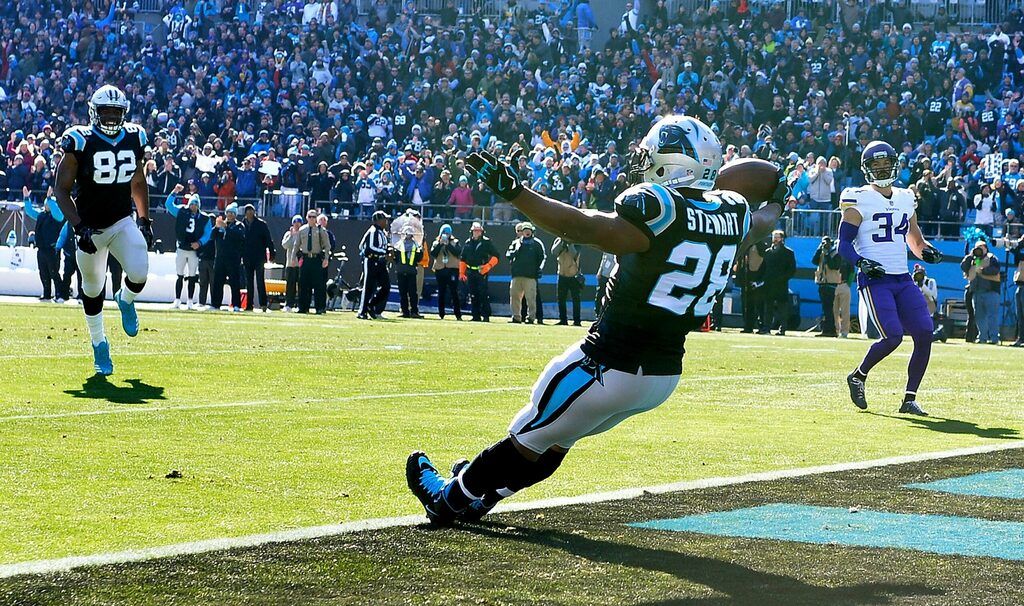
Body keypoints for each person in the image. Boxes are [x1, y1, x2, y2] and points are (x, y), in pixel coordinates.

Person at [406, 115, 788, 526]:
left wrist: (516, 193)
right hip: (662, 376)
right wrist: (778, 194)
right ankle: (483, 496)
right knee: (554, 440)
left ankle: (448, 499)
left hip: (608, 363)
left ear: (671, 163)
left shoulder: (660, 210)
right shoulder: (733, 215)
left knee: (526, 433)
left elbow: (580, 226)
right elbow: (765, 218)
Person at [839, 141, 945, 416]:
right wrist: (861, 263)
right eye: (876, 164)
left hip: (903, 278)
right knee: (893, 336)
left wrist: (928, 253)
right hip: (876, 280)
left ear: (896, 164)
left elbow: (916, 241)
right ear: (867, 169)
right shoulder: (857, 197)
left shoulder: (905, 197)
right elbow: (843, 245)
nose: (883, 168)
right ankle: (858, 376)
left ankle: (909, 399)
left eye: (886, 163)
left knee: (924, 333)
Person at [52, 85, 152, 376]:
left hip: (121, 220)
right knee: (93, 288)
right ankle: (99, 344)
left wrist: (143, 219)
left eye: (115, 112)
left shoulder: (135, 137)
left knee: (139, 270)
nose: (110, 117)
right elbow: (61, 189)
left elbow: (137, 181)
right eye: (105, 111)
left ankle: (125, 299)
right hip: (89, 228)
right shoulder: (79, 140)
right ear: (94, 112)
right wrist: (79, 225)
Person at [165, 186, 213, 310]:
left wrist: (200, 243)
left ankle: (190, 301)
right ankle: (177, 300)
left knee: (192, 276)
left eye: (195, 204)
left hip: (193, 250)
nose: (193, 206)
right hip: (181, 247)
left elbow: (208, 233)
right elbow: (169, 205)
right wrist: (174, 191)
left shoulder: (204, 218)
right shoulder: (182, 211)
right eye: (192, 204)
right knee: (179, 275)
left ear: (199, 206)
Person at [23, 188, 65, 302]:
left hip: (52, 249)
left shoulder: (57, 216)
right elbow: (29, 211)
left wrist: (49, 198)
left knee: (54, 272)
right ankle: (47, 294)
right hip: (41, 249)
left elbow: (58, 214)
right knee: (44, 273)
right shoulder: (41, 215)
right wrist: (26, 198)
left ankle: (59, 294)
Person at [960, 240, 1001, 344]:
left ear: (986, 248)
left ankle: (994, 338)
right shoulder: (973, 259)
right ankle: (982, 337)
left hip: (991, 291)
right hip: (976, 292)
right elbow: (963, 267)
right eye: (977, 247)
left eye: (982, 247)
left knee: (992, 315)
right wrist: (970, 255)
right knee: (979, 316)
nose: (979, 249)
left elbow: (996, 270)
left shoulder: (992, 258)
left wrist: (983, 271)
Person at [459, 221, 499, 322]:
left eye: (478, 231)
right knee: (473, 294)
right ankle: (475, 316)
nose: (476, 233)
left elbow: (496, 255)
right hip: (470, 272)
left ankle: (486, 316)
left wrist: (488, 266)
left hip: (482, 272)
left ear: (482, 232)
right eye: (475, 231)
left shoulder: (486, 242)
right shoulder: (468, 243)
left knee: (483, 294)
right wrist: (462, 273)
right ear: (471, 232)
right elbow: (463, 259)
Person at [507, 221, 546, 324]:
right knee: (515, 297)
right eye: (525, 230)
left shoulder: (537, 243)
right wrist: (515, 252)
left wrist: (540, 269)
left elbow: (542, 258)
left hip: (530, 276)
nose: (527, 232)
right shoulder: (516, 243)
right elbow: (508, 254)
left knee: (531, 299)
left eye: (529, 230)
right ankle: (516, 317)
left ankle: (531, 318)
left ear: (532, 231)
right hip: (517, 274)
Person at [758, 230, 795, 336]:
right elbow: (763, 268)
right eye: (774, 237)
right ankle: (766, 328)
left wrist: (782, 279)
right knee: (768, 308)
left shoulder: (788, 252)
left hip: (781, 284)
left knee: (782, 308)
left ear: (782, 239)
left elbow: (792, 270)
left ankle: (782, 328)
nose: (775, 239)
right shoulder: (768, 252)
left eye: (778, 237)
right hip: (769, 285)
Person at [211, 204, 246, 311]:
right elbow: (212, 237)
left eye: (232, 213)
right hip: (220, 258)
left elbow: (238, 237)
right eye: (228, 213)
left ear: (235, 214)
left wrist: (226, 227)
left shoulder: (239, 225)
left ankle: (236, 304)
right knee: (217, 282)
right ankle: (216, 304)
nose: (229, 215)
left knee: (234, 282)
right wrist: (217, 227)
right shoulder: (221, 225)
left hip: (233, 259)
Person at [296, 208, 331, 314]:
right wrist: (294, 258)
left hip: (316, 259)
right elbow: (297, 245)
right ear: (306, 218)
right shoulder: (302, 230)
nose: (311, 219)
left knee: (319, 285)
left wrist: (326, 259)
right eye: (310, 216)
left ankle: (320, 307)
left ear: (316, 218)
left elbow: (327, 246)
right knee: (303, 284)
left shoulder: (321, 230)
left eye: (314, 217)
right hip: (306, 259)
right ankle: (303, 307)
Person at [241, 203, 275, 312]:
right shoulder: (242, 225)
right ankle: (249, 305)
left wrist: (271, 253)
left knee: (260, 281)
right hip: (247, 257)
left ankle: (263, 305)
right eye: (248, 210)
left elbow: (268, 240)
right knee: (249, 282)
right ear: (245, 213)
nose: (250, 213)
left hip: (259, 257)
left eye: (251, 210)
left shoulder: (261, 224)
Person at [357, 210, 390, 319]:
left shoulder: (382, 232)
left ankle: (371, 305)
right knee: (368, 287)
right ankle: (362, 311)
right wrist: (385, 252)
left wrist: (388, 249)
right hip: (371, 261)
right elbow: (369, 248)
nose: (386, 222)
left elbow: (382, 246)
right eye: (384, 219)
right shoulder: (373, 231)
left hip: (380, 262)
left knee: (386, 286)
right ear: (379, 221)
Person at [811, 235, 842, 337]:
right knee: (825, 308)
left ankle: (831, 330)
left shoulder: (836, 253)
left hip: (831, 283)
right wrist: (819, 250)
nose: (825, 245)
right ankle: (827, 330)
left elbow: (834, 266)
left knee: (829, 308)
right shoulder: (821, 253)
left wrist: (828, 254)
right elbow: (814, 261)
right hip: (822, 282)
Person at [430, 224, 463, 320]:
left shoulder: (455, 242)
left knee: (454, 292)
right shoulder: (436, 243)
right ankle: (441, 313)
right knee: (441, 291)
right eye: (444, 233)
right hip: (440, 269)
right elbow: (433, 253)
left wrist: (448, 244)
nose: (446, 235)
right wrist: (440, 244)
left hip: (452, 269)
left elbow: (458, 253)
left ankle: (458, 314)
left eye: (447, 233)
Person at [552, 237, 583, 326]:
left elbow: (575, 255)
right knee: (561, 299)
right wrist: (562, 241)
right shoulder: (558, 240)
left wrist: (570, 243)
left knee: (576, 299)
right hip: (562, 275)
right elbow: (554, 252)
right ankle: (563, 320)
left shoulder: (577, 242)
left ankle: (577, 321)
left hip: (574, 275)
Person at [395, 225, 424, 318]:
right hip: (405, 271)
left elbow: (419, 257)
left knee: (411, 293)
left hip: (408, 271)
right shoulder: (402, 244)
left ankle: (412, 311)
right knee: (404, 293)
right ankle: (407, 312)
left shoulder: (413, 245)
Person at [280, 215, 303, 312]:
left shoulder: (304, 233)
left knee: (301, 285)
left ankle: (300, 305)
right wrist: (291, 235)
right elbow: (285, 245)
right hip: (290, 264)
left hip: (300, 264)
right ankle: (289, 304)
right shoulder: (288, 234)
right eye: (295, 222)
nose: (296, 224)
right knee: (290, 285)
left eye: (298, 222)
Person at [594, 251, 616, 316]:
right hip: (604, 275)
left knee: (611, 296)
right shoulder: (606, 247)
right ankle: (598, 313)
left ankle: (608, 314)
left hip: (613, 276)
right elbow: (604, 259)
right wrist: (600, 271)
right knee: (600, 294)